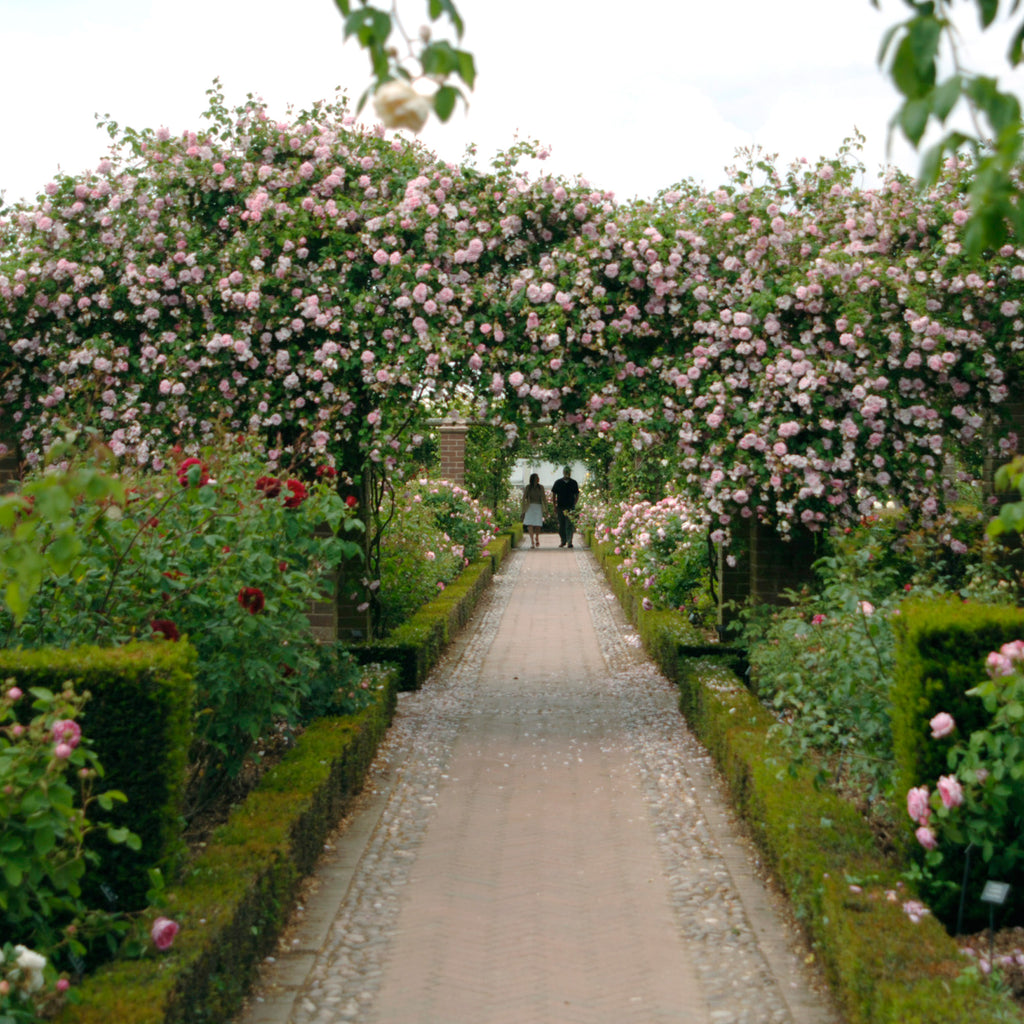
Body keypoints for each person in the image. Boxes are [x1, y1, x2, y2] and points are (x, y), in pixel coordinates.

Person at [550, 465, 580, 549]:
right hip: (560, 506)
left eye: (568, 472)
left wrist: (574, 503)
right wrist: (554, 505)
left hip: (570, 507)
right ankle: (563, 540)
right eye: (566, 472)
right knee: (562, 525)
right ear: (563, 472)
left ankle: (569, 541)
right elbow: (554, 494)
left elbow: (577, 494)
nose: (567, 474)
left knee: (569, 524)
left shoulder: (573, 483)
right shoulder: (558, 482)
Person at [521, 473, 547, 549]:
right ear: (533, 479)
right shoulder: (528, 487)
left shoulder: (541, 487)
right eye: (537, 478)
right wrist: (523, 509)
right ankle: (532, 541)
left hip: (538, 506)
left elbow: (544, 498)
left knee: (538, 524)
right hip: (530, 507)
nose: (538, 479)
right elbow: (524, 498)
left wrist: (546, 508)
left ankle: (537, 537)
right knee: (530, 524)